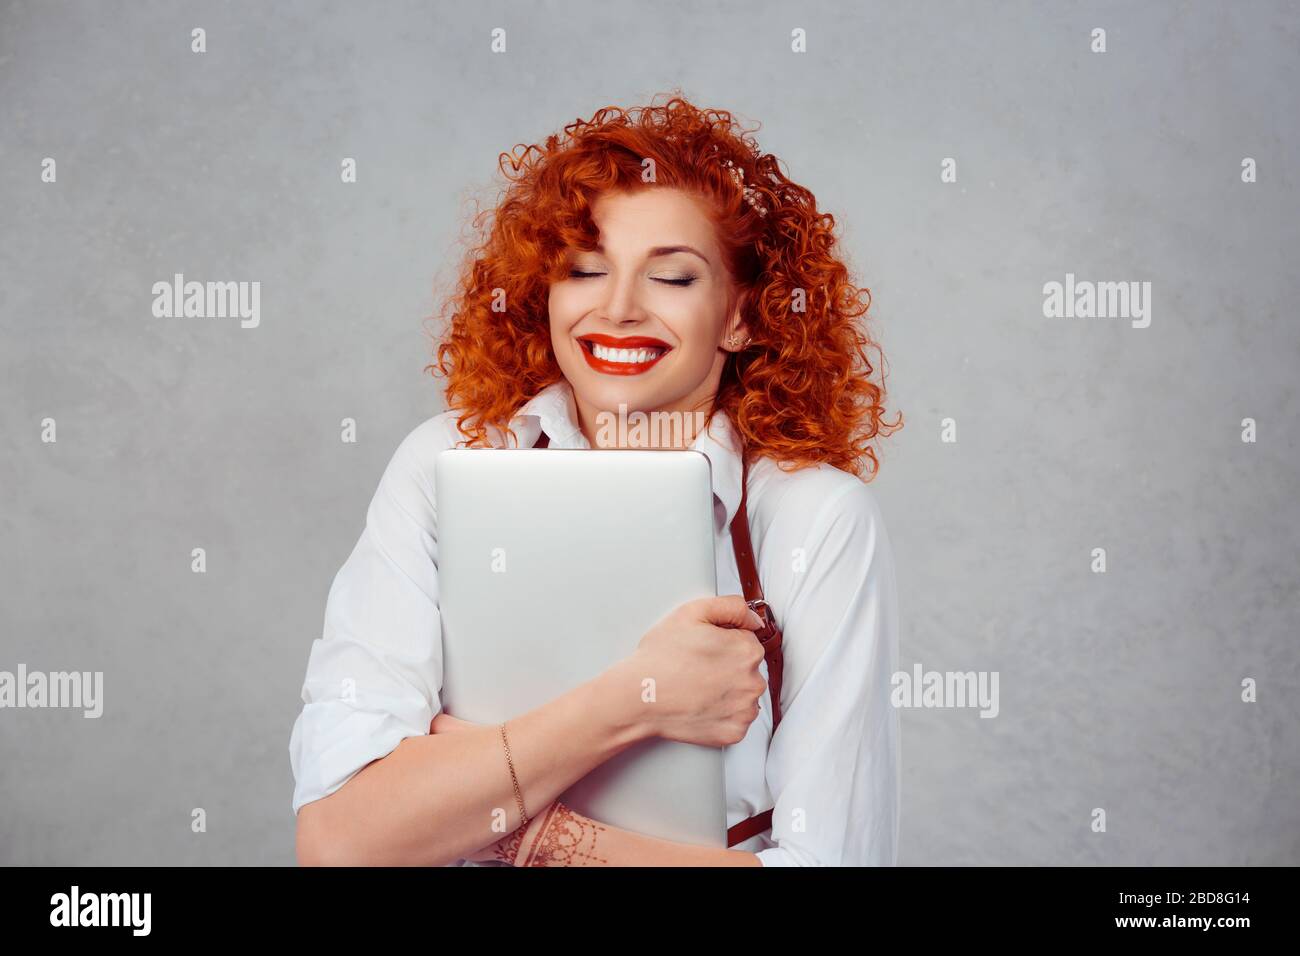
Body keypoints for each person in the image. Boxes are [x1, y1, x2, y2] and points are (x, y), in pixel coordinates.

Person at [290, 94, 903, 866]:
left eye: (672, 278)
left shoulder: (816, 518)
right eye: (585, 269)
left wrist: (511, 824)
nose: (617, 309)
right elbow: (340, 843)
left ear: (741, 317)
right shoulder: (447, 465)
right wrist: (632, 701)